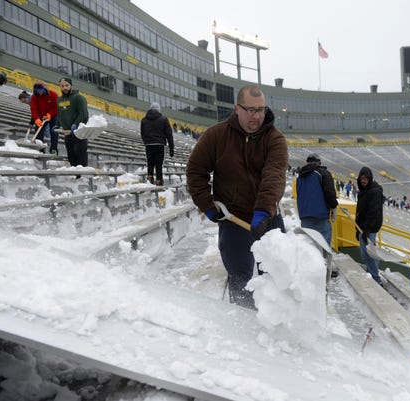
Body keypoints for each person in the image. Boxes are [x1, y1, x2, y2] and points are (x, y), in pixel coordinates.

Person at [186, 84, 288, 309]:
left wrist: (263, 210)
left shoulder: (275, 139)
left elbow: (274, 176)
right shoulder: (216, 136)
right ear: (237, 109)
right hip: (233, 218)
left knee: (277, 275)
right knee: (240, 276)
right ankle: (244, 324)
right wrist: (207, 204)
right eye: (250, 110)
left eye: (261, 110)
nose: (257, 116)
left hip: (267, 216)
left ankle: (276, 324)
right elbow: (195, 170)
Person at [296, 153, 338, 246]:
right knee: (323, 245)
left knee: (309, 246)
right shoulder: (323, 173)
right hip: (320, 216)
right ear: (319, 162)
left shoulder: (300, 177)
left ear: (307, 162)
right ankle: (324, 260)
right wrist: (334, 208)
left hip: (305, 216)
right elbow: (329, 192)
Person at [355, 166, 385, 285]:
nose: (363, 180)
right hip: (363, 227)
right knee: (367, 253)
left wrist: (367, 229)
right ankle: (372, 273)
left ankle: (375, 279)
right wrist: (357, 229)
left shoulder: (374, 191)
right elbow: (360, 212)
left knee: (369, 254)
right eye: (362, 178)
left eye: (366, 178)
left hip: (370, 228)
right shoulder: (363, 191)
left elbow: (374, 212)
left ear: (370, 179)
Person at [57, 78, 89, 167]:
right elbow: (59, 114)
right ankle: (76, 176)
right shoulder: (59, 100)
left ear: (71, 86)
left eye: (67, 85)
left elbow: (83, 114)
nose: (64, 88)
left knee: (80, 154)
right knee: (71, 156)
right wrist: (57, 124)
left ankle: (83, 175)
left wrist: (76, 123)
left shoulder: (78, 98)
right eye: (62, 86)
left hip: (79, 132)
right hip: (68, 132)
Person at [140, 102, 174, 186]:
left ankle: (150, 180)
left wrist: (146, 142)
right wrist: (171, 148)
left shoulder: (144, 120)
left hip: (149, 145)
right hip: (159, 144)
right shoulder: (164, 119)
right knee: (159, 164)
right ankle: (159, 181)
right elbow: (169, 134)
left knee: (150, 163)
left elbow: (142, 133)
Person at [30, 81, 59, 154]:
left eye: (41, 90)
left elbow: (56, 108)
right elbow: (34, 109)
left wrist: (50, 114)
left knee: (54, 132)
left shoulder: (53, 95)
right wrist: (36, 119)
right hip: (40, 116)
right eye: (37, 91)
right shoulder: (34, 97)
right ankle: (40, 149)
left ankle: (54, 149)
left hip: (52, 116)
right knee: (39, 132)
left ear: (45, 89)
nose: (39, 92)